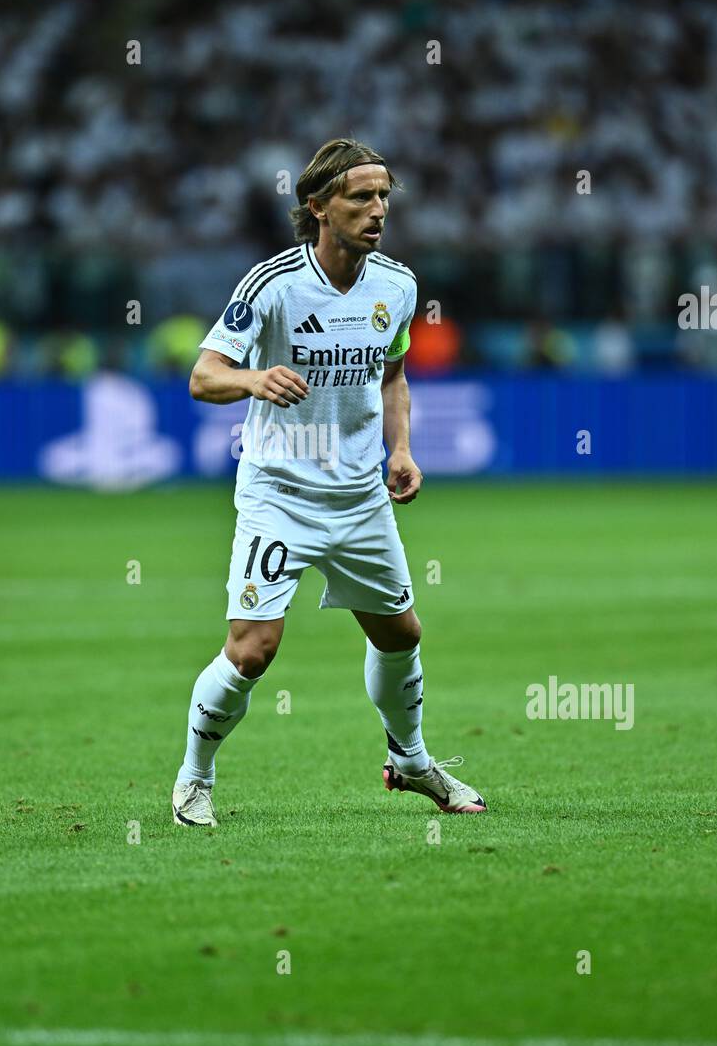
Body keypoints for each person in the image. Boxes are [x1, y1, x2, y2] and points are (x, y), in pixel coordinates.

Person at [172, 138, 486, 826]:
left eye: (383, 198)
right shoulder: (273, 285)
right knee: (253, 648)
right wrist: (254, 377)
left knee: (401, 633)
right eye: (360, 197)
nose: (378, 211)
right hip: (279, 494)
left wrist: (399, 448)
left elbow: (393, 374)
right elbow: (204, 376)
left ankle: (408, 761)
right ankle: (195, 778)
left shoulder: (396, 286)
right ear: (317, 206)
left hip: (359, 496)